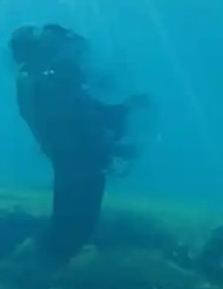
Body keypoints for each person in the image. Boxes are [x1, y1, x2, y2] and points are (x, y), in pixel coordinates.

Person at [9, 23, 140, 264]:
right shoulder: (44, 82)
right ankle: (49, 271)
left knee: (71, 225)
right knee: (74, 229)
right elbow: (78, 120)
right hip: (78, 160)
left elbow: (76, 120)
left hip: (74, 158)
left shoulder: (36, 81)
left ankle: (49, 267)